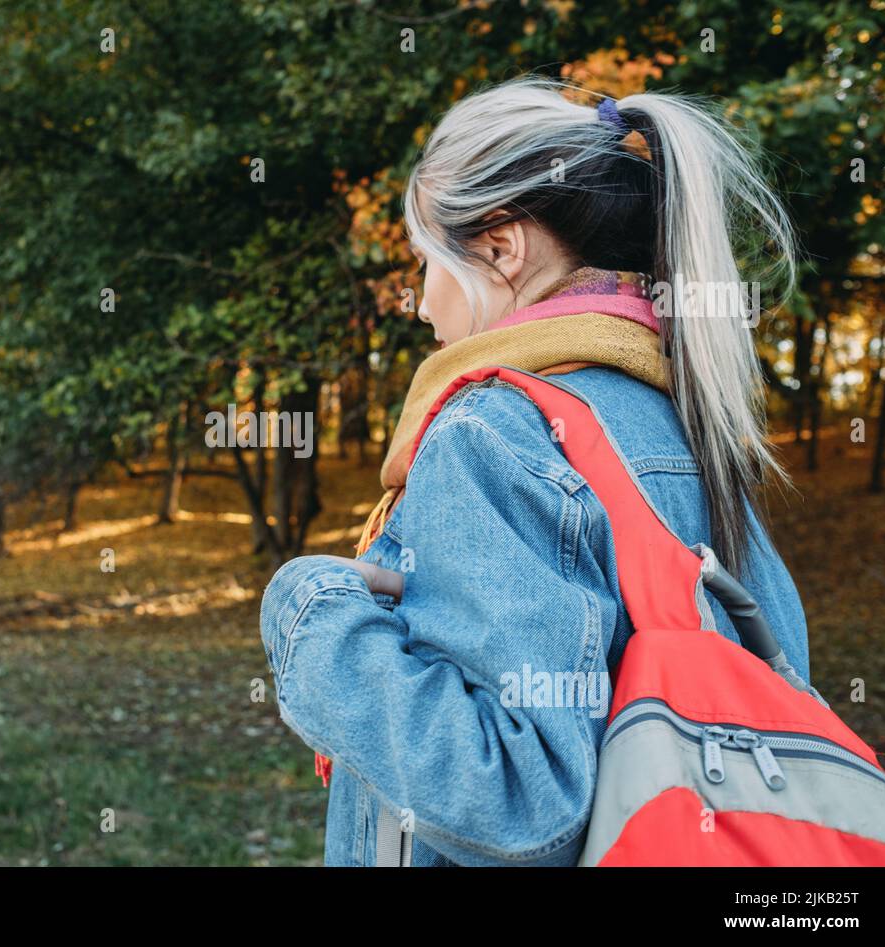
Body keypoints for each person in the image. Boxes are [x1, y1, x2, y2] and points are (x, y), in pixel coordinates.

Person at [258, 76, 809, 866]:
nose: (421, 303)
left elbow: (517, 803)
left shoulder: (493, 432)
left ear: (500, 247)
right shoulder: (687, 424)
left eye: (428, 262)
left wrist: (309, 610)